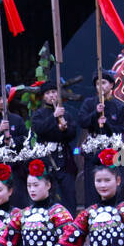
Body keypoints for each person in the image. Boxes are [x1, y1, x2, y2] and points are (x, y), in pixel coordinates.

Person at [77, 70, 124, 205]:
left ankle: (120, 212)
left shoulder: (120, 106)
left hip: (115, 149)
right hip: (94, 147)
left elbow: (122, 129)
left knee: (120, 183)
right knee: (92, 185)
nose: (101, 87)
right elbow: (82, 121)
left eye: (104, 83)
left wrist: (107, 124)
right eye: (98, 84)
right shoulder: (89, 103)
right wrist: (96, 113)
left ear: (111, 85)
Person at [31, 80, 78, 210]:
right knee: (47, 193)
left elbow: (73, 134)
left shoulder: (66, 113)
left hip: (64, 159)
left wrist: (65, 129)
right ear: (43, 96)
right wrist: (53, 116)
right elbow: (39, 129)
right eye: (48, 93)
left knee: (69, 194)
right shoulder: (39, 114)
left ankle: (70, 222)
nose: (51, 95)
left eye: (53, 92)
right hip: (47, 159)